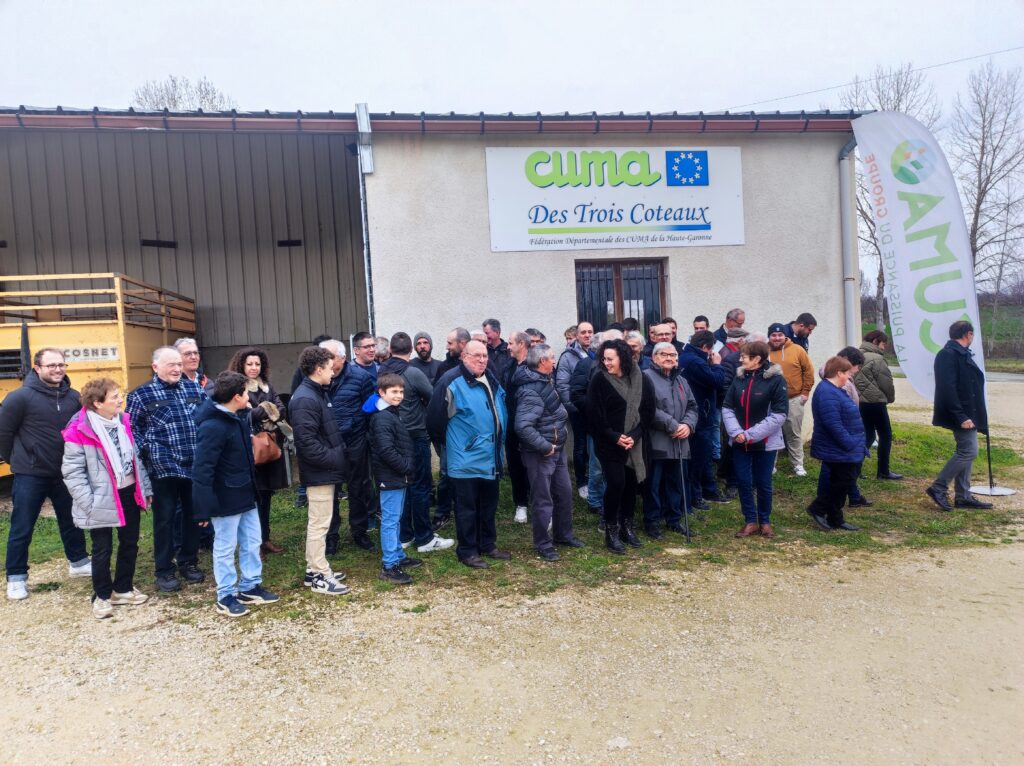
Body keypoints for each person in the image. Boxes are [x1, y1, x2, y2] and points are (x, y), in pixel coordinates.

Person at [1, 348, 90, 601]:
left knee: (71, 519)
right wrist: (18, 460)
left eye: (61, 365)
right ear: (37, 368)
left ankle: (79, 561)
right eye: (51, 365)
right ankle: (16, 577)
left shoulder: (74, 397)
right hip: (31, 474)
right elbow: (4, 435)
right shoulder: (19, 398)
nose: (57, 370)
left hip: (65, 472)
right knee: (22, 526)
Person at [192, 372, 280, 617]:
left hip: (245, 493)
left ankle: (250, 585)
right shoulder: (212, 426)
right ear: (235, 397)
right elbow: (202, 468)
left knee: (253, 540)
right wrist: (203, 506)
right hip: (224, 497)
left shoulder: (237, 418)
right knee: (225, 546)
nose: (249, 397)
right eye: (245, 393)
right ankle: (226, 594)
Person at [61, 378, 150, 618]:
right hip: (99, 498)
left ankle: (123, 589)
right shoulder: (79, 429)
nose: (120, 400)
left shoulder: (123, 422)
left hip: (128, 492)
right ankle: (101, 596)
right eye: (114, 397)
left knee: (130, 542)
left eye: (119, 395)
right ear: (97, 403)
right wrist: (88, 503)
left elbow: (135, 460)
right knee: (102, 548)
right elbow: (72, 472)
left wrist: (145, 490)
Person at [126, 346, 207, 592]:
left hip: (193, 465)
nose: (176, 369)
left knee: (193, 517)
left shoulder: (193, 388)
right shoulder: (141, 395)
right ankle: (164, 569)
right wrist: (148, 451)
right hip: (164, 468)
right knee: (165, 519)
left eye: (179, 364)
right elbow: (132, 429)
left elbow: (205, 419)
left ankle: (188, 562)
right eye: (171, 365)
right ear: (155, 367)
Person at [426, 339, 509, 569]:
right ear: (464, 357)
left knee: (488, 505)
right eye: (476, 356)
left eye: (484, 355)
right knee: (466, 508)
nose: (482, 360)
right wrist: (455, 447)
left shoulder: (489, 377)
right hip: (465, 460)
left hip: (490, 457)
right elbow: (434, 420)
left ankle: (488, 545)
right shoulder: (451, 381)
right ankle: (467, 551)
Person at [378, 333, 454, 554]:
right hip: (416, 436)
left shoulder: (382, 372)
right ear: (410, 351)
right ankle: (424, 538)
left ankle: (406, 534)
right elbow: (434, 398)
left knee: (403, 486)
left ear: (390, 350)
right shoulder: (412, 373)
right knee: (420, 487)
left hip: (393, 438)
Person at [290, 346, 351, 595]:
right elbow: (307, 444)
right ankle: (319, 574)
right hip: (320, 472)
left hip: (324, 470)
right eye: (329, 367)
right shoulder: (306, 398)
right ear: (318, 369)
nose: (333, 372)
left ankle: (313, 569)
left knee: (319, 522)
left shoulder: (316, 392)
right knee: (319, 524)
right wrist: (336, 458)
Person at [514, 344, 582, 560]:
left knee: (564, 493)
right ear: (542, 362)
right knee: (543, 499)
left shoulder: (545, 380)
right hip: (540, 453)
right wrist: (544, 447)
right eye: (552, 358)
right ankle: (544, 543)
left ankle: (563, 535)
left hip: (557, 449)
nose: (554, 361)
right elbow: (523, 426)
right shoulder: (531, 390)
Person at [587, 338, 655, 554]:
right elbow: (594, 415)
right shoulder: (599, 380)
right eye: (604, 359)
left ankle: (627, 526)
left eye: (610, 359)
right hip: (609, 442)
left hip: (635, 443)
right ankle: (611, 529)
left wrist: (633, 436)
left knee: (631, 485)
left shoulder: (641, 378)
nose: (606, 363)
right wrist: (615, 436)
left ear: (622, 358)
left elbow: (648, 412)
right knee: (616, 483)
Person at [722, 341, 788, 538]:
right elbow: (727, 407)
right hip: (740, 442)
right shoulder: (739, 378)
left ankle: (765, 521)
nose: (740, 359)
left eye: (744, 356)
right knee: (743, 481)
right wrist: (737, 433)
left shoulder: (776, 380)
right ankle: (750, 521)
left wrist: (750, 435)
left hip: (765, 443)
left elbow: (779, 414)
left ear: (757, 359)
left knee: (763, 482)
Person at [227, 347, 289, 555]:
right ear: (241, 366)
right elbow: (245, 415)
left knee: (266, 496)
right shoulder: (236, 387)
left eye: (257, 364)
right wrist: (264, 409)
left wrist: (264, 409)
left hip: (269, 446)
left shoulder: (266, 385)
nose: (254, 368)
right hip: (250, 447)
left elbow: (281, 409)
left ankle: (265, 539)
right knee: (252, 498)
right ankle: (251, 543)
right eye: (250, 364)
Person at [926, 320, 993, 512]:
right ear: (968, 334)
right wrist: (961, 416)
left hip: (968, 413)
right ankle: (938, 487)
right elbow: (947, 389)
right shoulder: (948, 355)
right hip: (961, 414)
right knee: (969, 451)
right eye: (972, 335)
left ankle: (963, 496)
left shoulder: (960, 353)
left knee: (967, 451)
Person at [318, 339, 376, 552]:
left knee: (358, 488)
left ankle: (359, 531)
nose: (326, 361)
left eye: (330, 357)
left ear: (342, 358)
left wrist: (366, 438)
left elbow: (369, 409)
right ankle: (331, 535)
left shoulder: (361, 378)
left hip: (355, 441)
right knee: (329, 491)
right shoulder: (316, 378)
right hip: (327, 445)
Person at [368, 372, 424, 585]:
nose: (399, 395)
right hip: (390, 476)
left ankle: (398, 555)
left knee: (396, 517)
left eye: (401, 391)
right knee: (390, 520)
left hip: (397, 476)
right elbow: (385, 450)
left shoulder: (392, 413)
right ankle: (390, 565)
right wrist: (406, 467)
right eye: (394, 392)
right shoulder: (382, 418)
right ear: (381, 393)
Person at [806, 356, 868, 531]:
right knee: (842, 482)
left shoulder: (835, 390)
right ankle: (817, 509)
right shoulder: (827, 392)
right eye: (847, 373)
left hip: (843, 447)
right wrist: (849, 443)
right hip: (839, 447)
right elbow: (832, 423)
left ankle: (835, 518)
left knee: (841, 482)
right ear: (838, 372)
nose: (849, 377)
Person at [643, 342, 698, 538]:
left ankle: (674, 519)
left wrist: (687, 425)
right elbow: (648, 408)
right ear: (655, 357)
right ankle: (652, 522)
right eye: (664, 355)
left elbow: (692, 406)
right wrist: (673, 425)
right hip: (657, 441)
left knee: (676, 483)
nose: (669, 358)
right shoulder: (646, 378)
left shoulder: (682, 380)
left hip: (680, 442)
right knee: (653, 485)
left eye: (673, 355)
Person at [570, 330, 622, 519]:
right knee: (597, 465)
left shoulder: (623, 367)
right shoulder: (586, 365)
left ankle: (612, 500)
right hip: (596, 425)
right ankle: (595, 501)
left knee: (615, 466)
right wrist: (597, 410)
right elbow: (575, 394)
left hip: (618, 426)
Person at [817, 346, 871, 509]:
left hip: (848, 433)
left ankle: (852, 497)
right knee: (833, 469)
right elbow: (835, 417)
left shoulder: (840, 380)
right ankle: (822, 505)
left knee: (846, 470)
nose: (855, 372)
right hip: (843, 434)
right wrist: (849, 440)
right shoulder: (837, 385)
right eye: (856, 367)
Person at [679, 329, 728, 508]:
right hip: (700, 417)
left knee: (703, 457)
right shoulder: (695, 361)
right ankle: (695, 496)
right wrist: (716, 364)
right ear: (706, 347)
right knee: (698, 459)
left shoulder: (687, 356)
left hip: (697, 415)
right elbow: (717, 381)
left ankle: (707, 490)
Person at [767, 322, 814, 477]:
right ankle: (770, 465)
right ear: (769, 336)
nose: (777, 338)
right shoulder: (763, 351)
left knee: (793, 433)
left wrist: (805, 393)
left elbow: (808, 371)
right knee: (772, 433)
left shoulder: (797, 350)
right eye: (774, 335)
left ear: (784, 336)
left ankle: (798, 465)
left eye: (780, 335)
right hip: (770, 401)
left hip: (793, 398)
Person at [855, 330, 902, 480]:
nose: (884, 347)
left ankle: (855, 470)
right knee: (885, 435)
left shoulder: (856, 355)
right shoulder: (877, 359)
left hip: (860, 402)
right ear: (875, 341)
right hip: (875, 402)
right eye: (883, 343)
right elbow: (886, 383)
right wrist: (890, 398)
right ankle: (883, 471)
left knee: (867, 435)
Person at [555, 320, 594, 498]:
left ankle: (594, 479)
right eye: (583, 332)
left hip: (593, 410)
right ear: (577, 335)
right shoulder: (567, 356)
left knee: (593, 446)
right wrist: (574, 408)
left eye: (590, 332)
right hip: (578, 410)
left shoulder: (594, 353)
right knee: (580, 446)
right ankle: (581, 481)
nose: (587, 335)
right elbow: (562, 386)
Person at [503, 331, 532, 522]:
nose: (508, 346)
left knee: (535, 467)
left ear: (521, 344)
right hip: (512, 426)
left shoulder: (535, 364)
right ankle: (521, 504)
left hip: (532, 426)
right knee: (515, 466)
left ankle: (540, 504)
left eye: (511, 343)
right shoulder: (509, 366)